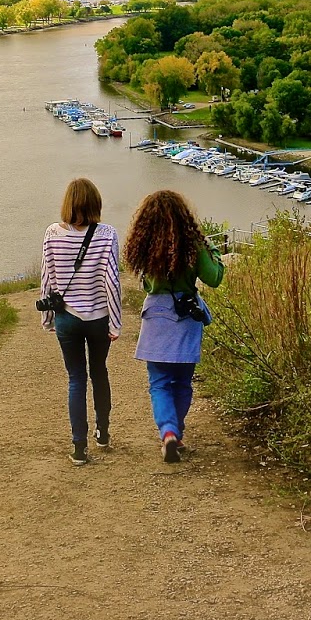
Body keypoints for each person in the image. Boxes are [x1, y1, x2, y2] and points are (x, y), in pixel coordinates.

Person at [124, 190, 224, 463]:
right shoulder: (193, 242)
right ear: (184, 216)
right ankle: (176, 433)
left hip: (155, 315)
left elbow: (146, 283)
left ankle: (167, 432)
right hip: (186, 315)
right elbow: (214, 278)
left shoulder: (144, 244)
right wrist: (212, 248)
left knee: (158, 383)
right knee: (182, 382)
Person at [40, 177, 121, 466]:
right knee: (99, 371)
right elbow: (111, 281)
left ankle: (79, 447)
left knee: (76, 378)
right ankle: (103, 432)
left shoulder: (52, 234)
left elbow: (48, 279)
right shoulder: (107, 234)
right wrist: (116, 322)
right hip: (99, 318)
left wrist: (47, 317)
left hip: (67, 320)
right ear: (95, 203)